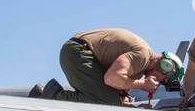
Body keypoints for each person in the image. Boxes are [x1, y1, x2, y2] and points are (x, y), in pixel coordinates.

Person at [48, 28, 182, 106]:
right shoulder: (142, 56)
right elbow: (111, 79)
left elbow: (118, 87)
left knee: (113, 101)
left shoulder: (140, 68)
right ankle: (52, 96)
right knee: (107, 101)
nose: (160, 81)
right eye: (165, 78)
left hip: (83, 53)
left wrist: (125, 99)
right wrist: (142, 85)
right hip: (78, 52)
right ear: (165, 65)